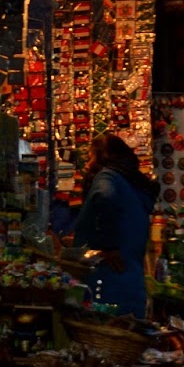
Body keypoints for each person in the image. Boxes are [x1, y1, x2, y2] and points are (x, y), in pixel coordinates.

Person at [71, 134, 157, 319]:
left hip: (106, 281)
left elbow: (104, 197)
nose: (87, 165)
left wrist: (107, 246)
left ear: (104, 157)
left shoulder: (108, 176)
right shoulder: (134, 186)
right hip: (131, 283)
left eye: (91, 158)